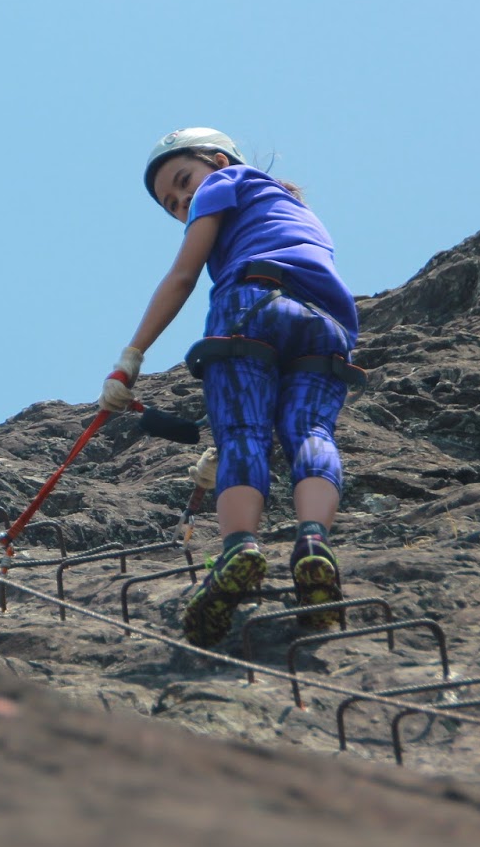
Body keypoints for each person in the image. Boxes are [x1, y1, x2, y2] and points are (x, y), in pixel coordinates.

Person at [98, 127, 360, 647]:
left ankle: (240, 547)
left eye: (184, 181)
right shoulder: (290, 207)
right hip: (327, 324)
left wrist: (130, 359)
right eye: (172, 204)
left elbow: (183, 275)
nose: (184, 202)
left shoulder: (229, 180)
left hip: (251, 304)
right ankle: (314, 543)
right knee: (310, 430)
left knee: (243, 433)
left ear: (217, 160)